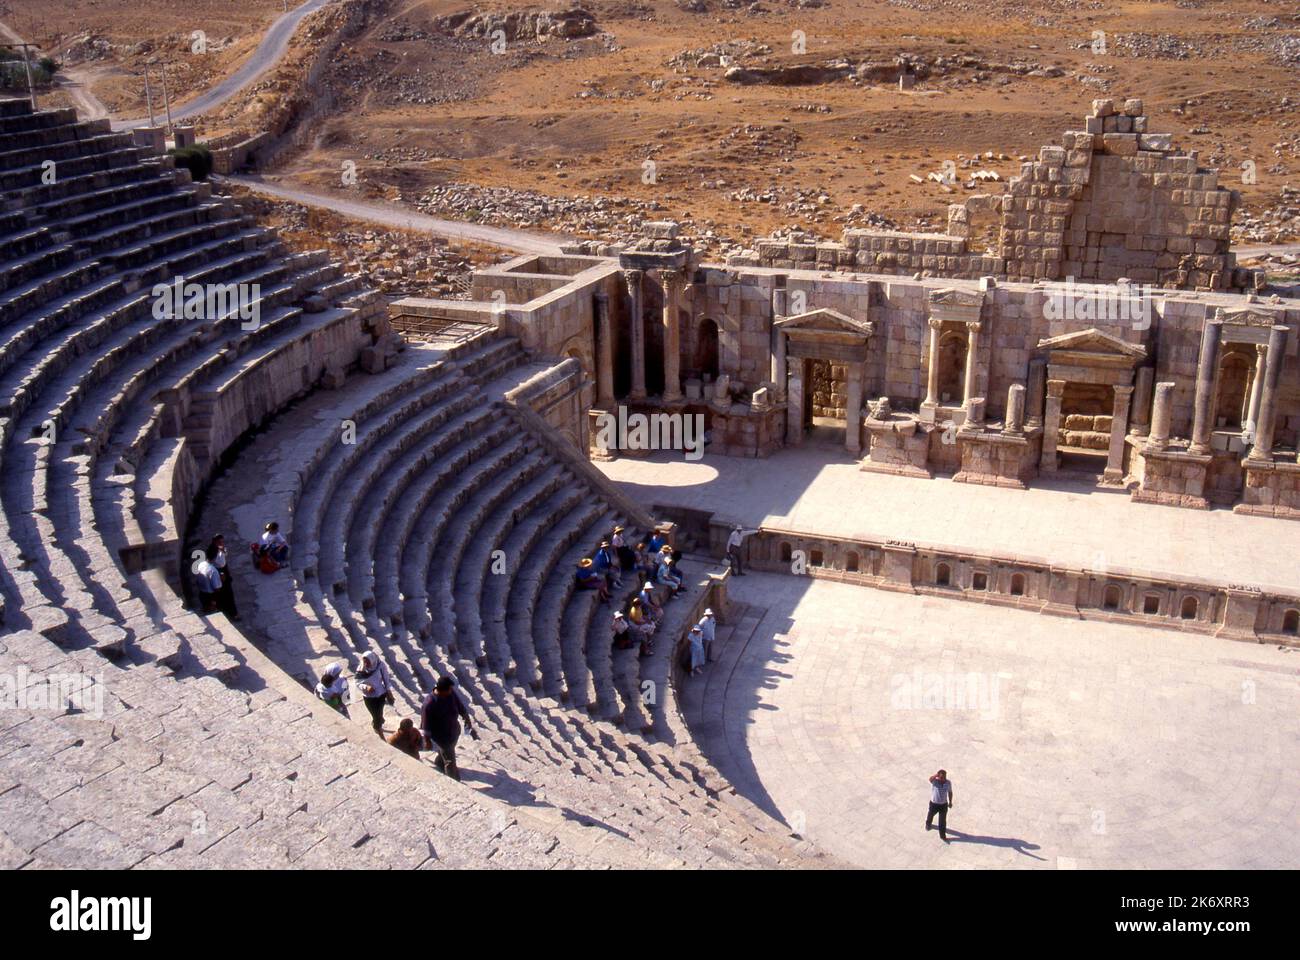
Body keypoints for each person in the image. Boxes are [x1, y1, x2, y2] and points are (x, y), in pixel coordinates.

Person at [420, 676, 477, 781]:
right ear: (442, 690)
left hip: (454, 730)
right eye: (449, 689)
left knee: (448, 752)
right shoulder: (429, 704)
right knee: (450, 761)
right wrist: (427, 740)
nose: (451, 691)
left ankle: (440, 761)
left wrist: (466, 718)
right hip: (442, 737)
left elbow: (459, 705)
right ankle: (454, 781)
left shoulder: (450, 693)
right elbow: (425, 724)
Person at [355, 651, 393, 736]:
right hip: (369, 697)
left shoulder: (380, 666)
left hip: (380, 694)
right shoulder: (361, 669)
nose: (366, 663)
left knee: (379, 712)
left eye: (368, 661)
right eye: (364, 661)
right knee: (375, 713)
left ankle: (377, 723)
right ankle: (378, 728)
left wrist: (389, 692)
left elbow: (386, 679)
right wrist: (365, 687)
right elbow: (357, 683)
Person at [207, 534, 239, 621]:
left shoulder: (219, 548)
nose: (221, 543)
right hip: (218, 572)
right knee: (223, 592)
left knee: (226, 591)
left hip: (224, 570)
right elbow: (218, 563)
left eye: (222, 541)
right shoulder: (212, 551)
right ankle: (230, 612)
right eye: (219, 542)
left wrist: (222, 550)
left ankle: (229, 611)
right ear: (214, 542)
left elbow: (225, 556)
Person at [926, 769, 954, 842]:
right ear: (938, 776)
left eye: (944, 777)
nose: (943, 779)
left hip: (943, 805)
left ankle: (942, 836)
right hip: (934, 804)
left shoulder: (948, 783)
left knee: (942, 821)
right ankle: (928, 824)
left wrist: (950, 802)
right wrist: (936, 775)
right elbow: (930, 779)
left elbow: (950, 792)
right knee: (931, 814)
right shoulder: (935, 782)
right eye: (941, 777)